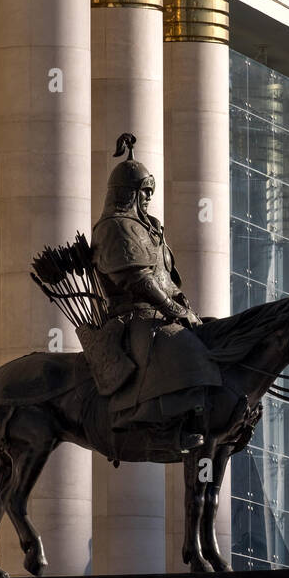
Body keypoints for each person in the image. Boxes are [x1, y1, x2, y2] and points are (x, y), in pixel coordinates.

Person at [84, 133, 221, 452]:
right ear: (126, 193)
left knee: (215, 335)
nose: (147, 198)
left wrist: (180, 302)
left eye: (150, 192)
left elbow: (165, 276)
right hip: (134, 316)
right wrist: (172, 308)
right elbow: (136, 278)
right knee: (185, 350)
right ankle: (163, 424)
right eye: (142, 192)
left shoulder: (150, 228)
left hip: (162, 312)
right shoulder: (114, 227)